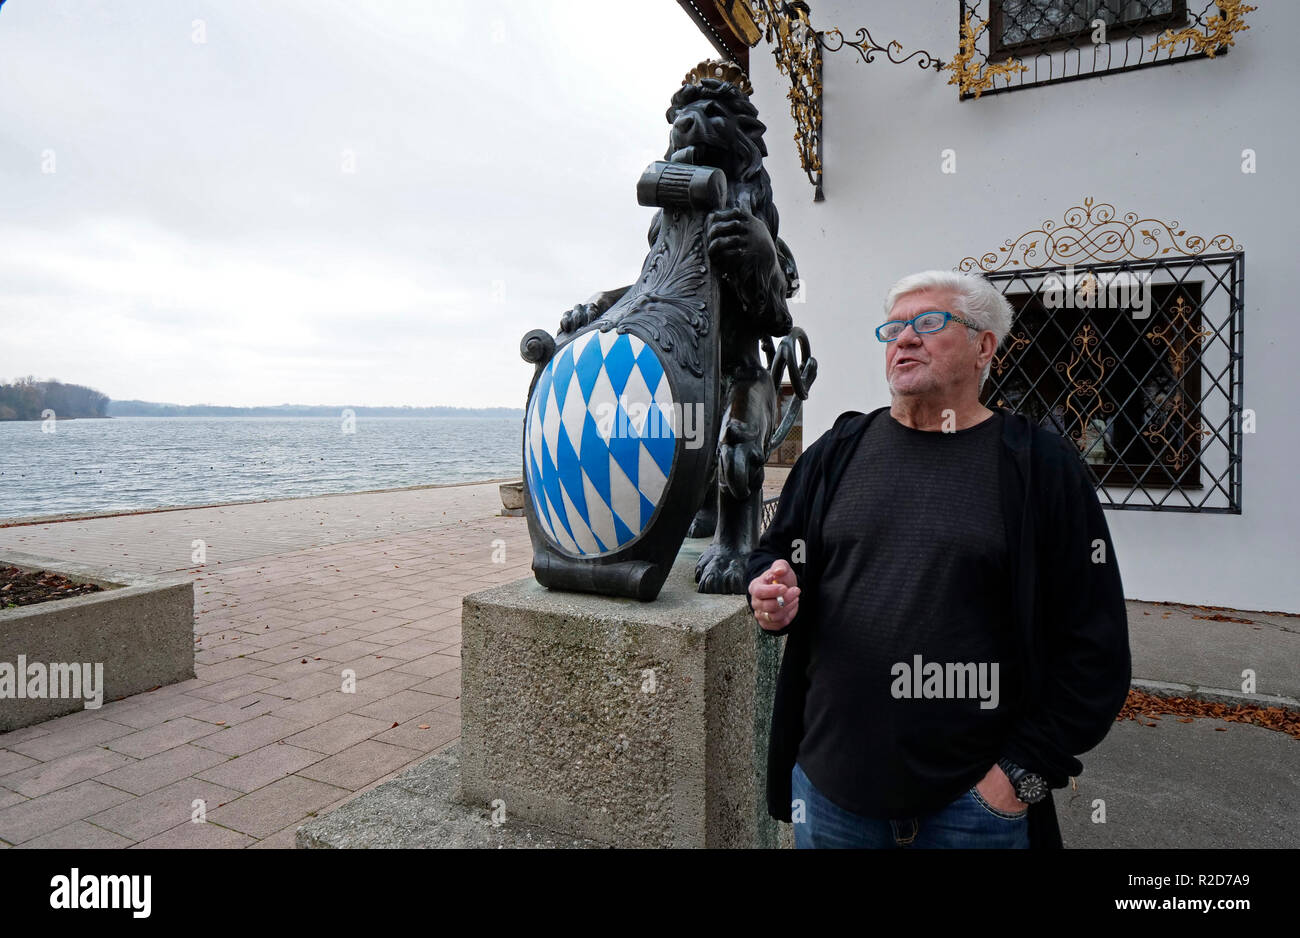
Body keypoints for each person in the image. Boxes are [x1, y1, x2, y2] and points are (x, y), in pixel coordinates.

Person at [745, 269, 1131, 848]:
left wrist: (1016, 780)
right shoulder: (839, 451)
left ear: (983, 347)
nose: (904, 338)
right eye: (894, 327)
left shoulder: (1039, 468)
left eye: (928, 323)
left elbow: (1094, 647)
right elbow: (776, 553)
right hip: (829, 795)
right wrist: (771, 588)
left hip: (972, 811)